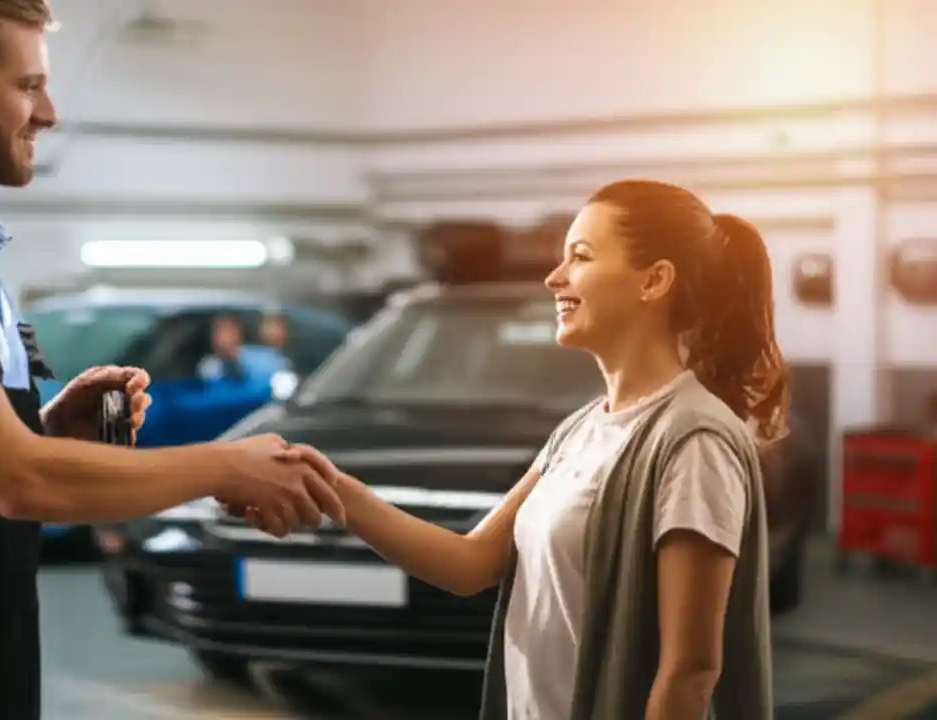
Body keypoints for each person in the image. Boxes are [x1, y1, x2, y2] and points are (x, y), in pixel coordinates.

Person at [0, 1, 344, 718]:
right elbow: (13, 481)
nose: (48, 112)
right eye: (26, 86)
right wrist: (229, 465)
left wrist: (49, 430)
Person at [271, 179, 788, 720]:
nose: (554, 277)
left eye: (580, 257)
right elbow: (468, 563)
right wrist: (332, 488)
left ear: (654, 280)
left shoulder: (693, 442)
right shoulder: (579, 431)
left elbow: (690, 672)